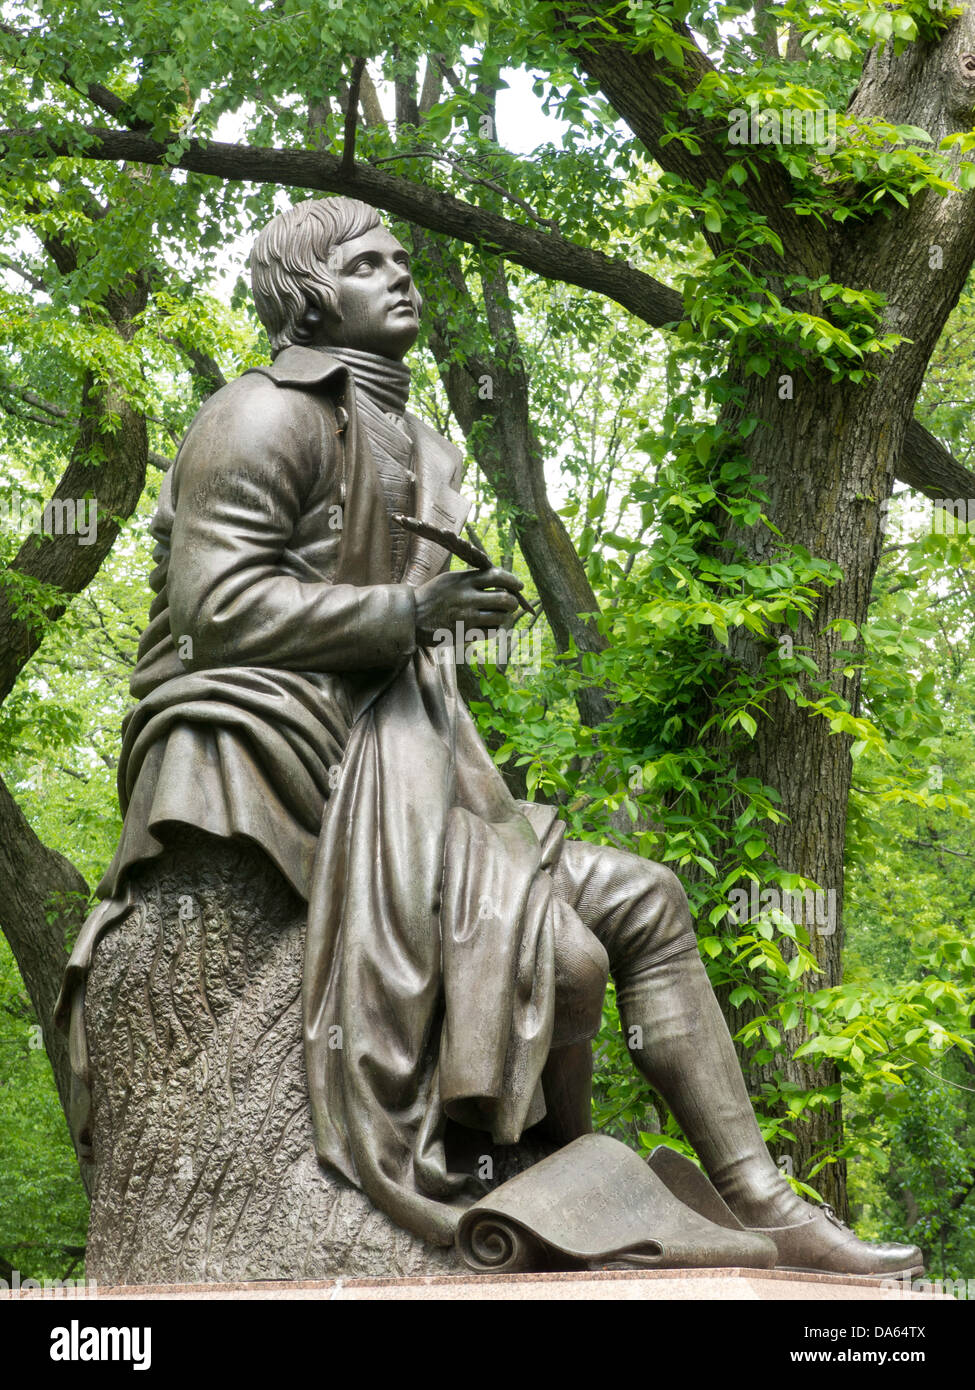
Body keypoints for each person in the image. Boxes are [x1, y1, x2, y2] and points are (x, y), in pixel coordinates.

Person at [58, 196, 920, 1276]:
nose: (404, 276)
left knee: (647, 900)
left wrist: (450, 620)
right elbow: (214, 606)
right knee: (562, 956)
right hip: (291, 760)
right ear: (313, 291)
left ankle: (766, 1199)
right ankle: (539, 1167)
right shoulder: (258, 413)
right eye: (372, 264)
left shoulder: (416, 438)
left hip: (415, 762)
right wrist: (407, 617)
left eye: (404, 259)